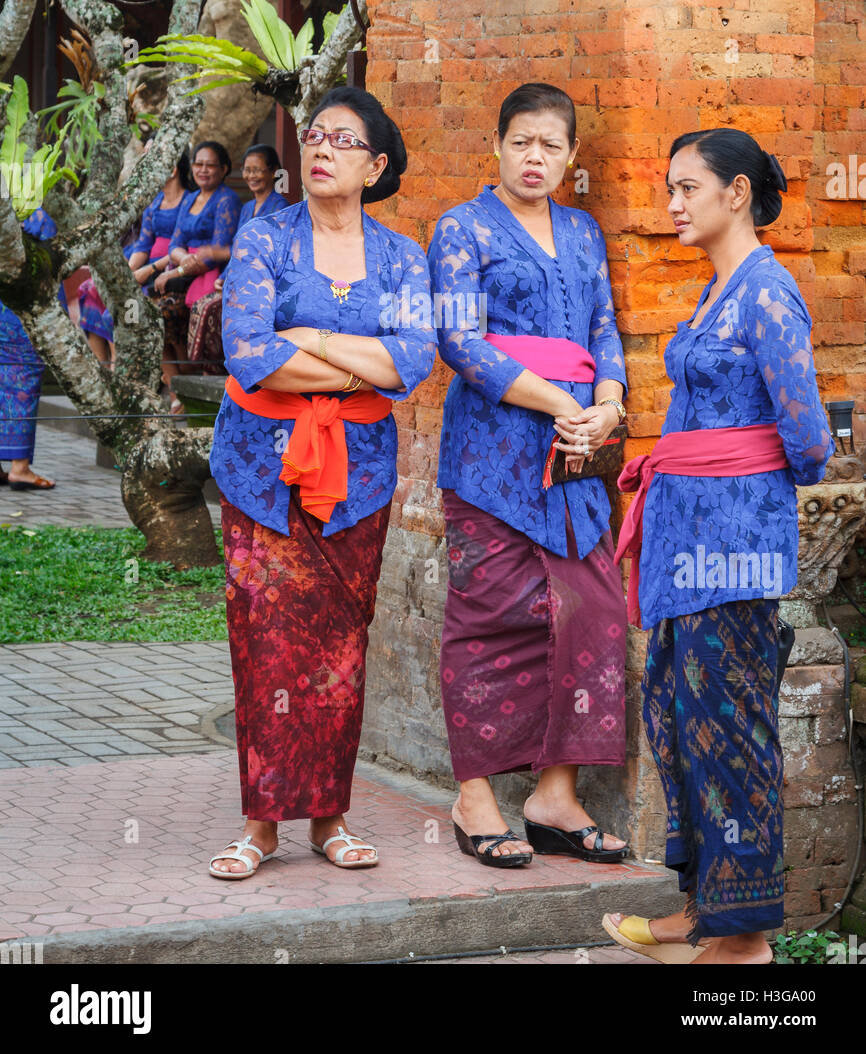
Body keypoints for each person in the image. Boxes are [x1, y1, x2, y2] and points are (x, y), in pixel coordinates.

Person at [604, 128, 833, 965]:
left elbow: (808, 441)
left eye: (687, 187)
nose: (671, 203)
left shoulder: (768, 293)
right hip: (685, 545)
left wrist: (725, 467)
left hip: (734, 548)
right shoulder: (718, 290)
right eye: (669, 187)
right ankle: (707, 909)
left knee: (731, 732)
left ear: (736, 193)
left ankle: (743, 939)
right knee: (679, 716)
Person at [207, 86, 435, 878]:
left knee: (340, 646)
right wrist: (351, 352)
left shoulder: (405, 257)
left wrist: (310, 336)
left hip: (359, 473)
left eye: (342, 139)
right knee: (265, 644)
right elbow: (248, 352)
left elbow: (410, 362)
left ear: (375, 165)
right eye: (313, 135)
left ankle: (329, 817)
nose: (321, 148)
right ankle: (262, 823)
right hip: (258, 471)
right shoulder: (263, 238)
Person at [427, 83, 629, 867]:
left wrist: (608, 403)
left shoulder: (583, 233)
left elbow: (605, 324)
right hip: (491, 453)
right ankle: (474, 793)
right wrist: (555, 400)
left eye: (550, 145)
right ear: (498, 146)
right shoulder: (462, 228)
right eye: (521, 142)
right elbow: (459, 339)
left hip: (576, 455)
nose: (534, 158)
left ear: (572, 156)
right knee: (487, 617)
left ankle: (554, 794)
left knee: (593, 608)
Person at [77, 149, 194, 365]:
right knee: (98, 293)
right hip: (146, 267)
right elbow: (143, 245)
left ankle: (123, 366)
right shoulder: (155, 203)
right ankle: (107, 364)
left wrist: (148, 271)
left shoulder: (189, 201)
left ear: (173, 169)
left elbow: (184, 245)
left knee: (120, 313)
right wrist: (128, 273)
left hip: (170, 270)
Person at [151, 140, 240, 412]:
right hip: (184, 269)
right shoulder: (190, 197)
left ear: (224, 169)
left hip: (207, 274)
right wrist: (181, 260)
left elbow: (216, 251)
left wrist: (179, 269)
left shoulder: (226, 199)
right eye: (198, 164)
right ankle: (178, 389)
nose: (203, 170)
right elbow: (175, 242)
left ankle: (188, 388)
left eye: (210, 165)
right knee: (151, 317)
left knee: (167, 315)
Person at [187, 145, 286, 375]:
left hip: (261, 283)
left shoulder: (279, 206)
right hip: (236, 280)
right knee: (203, 304)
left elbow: (271, 252)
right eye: (247, 170)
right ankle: (208, 372)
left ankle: (223, 370)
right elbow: (237, 249)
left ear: (273, 172)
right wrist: (223, 278)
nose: (251, 176)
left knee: (210, 309)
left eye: (258, 170)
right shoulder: (248, 207)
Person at [0, 208, 61, 490]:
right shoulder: (35, 218)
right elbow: (48, 269)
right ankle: (20, 467)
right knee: (23, 379)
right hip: (18, 311)